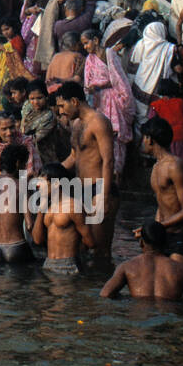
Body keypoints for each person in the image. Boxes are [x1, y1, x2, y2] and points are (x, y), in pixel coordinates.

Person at [55, 80, 118, 258]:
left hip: (99, 190)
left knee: (99, 250)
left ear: (74, 101)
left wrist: (104, 198)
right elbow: (74, 157)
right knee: (82, 248)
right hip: (80, 190)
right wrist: (50, 173)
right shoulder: (76, 124)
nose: (61, 111)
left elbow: (108, 160)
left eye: (62, 106)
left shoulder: (99, 122)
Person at [100, 218, 183, 302]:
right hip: (169, 317)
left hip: (139, 319)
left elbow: (105, 294)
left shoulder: (126, 267)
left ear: (141, 243)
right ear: (166, 243)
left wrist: (127, 299)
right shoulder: (181, 270)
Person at [140, 116, 183, 266]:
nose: (142, 142)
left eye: (144, 138)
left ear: (150, 139)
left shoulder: (174, 166)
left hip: (181, 236)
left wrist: (158, 227)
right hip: (163, 235)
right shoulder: (156, 167)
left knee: (176, 283)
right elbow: (162, 203)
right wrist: (151, 232)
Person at [30, 161, 96, 273]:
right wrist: (41, 210)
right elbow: (37, 240)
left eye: (42, 183)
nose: (38, 187)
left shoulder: (73, 207)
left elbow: (90, 242)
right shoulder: (47, 207)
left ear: (56, 184)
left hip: (69, 265)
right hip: (48, 264)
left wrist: (76, 255)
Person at [0, 142, 34, 263]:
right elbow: (30, 225)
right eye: (24, 165)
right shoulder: (22, 187)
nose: (25, 169)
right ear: (17, 163)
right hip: (17, 247)